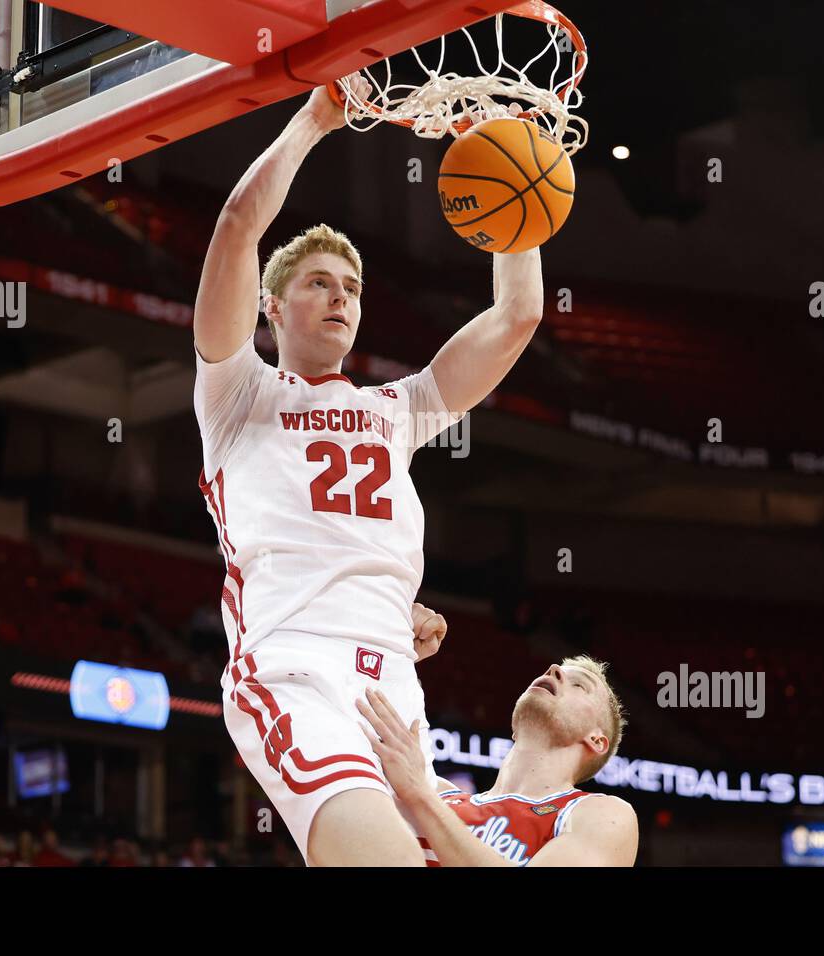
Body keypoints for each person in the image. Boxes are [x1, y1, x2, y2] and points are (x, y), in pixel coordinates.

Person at [192, 70, 542, 867]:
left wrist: (518, 186)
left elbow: (518, 316)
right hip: (295, 664)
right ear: (271, 309)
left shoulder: (400, 408)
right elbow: (239, 224)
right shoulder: (237, 391)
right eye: (317, 283)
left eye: (350, 286)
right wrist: (315, 120)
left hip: (392, 683)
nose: (339, 297)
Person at [357, 656, 639, 866]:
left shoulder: (601, 813)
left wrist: (420, 796)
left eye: (579, 685)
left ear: (596, 740)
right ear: (515, 726)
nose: (552, 671)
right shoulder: (430, 786)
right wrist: (400, 656)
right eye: (554, 670)